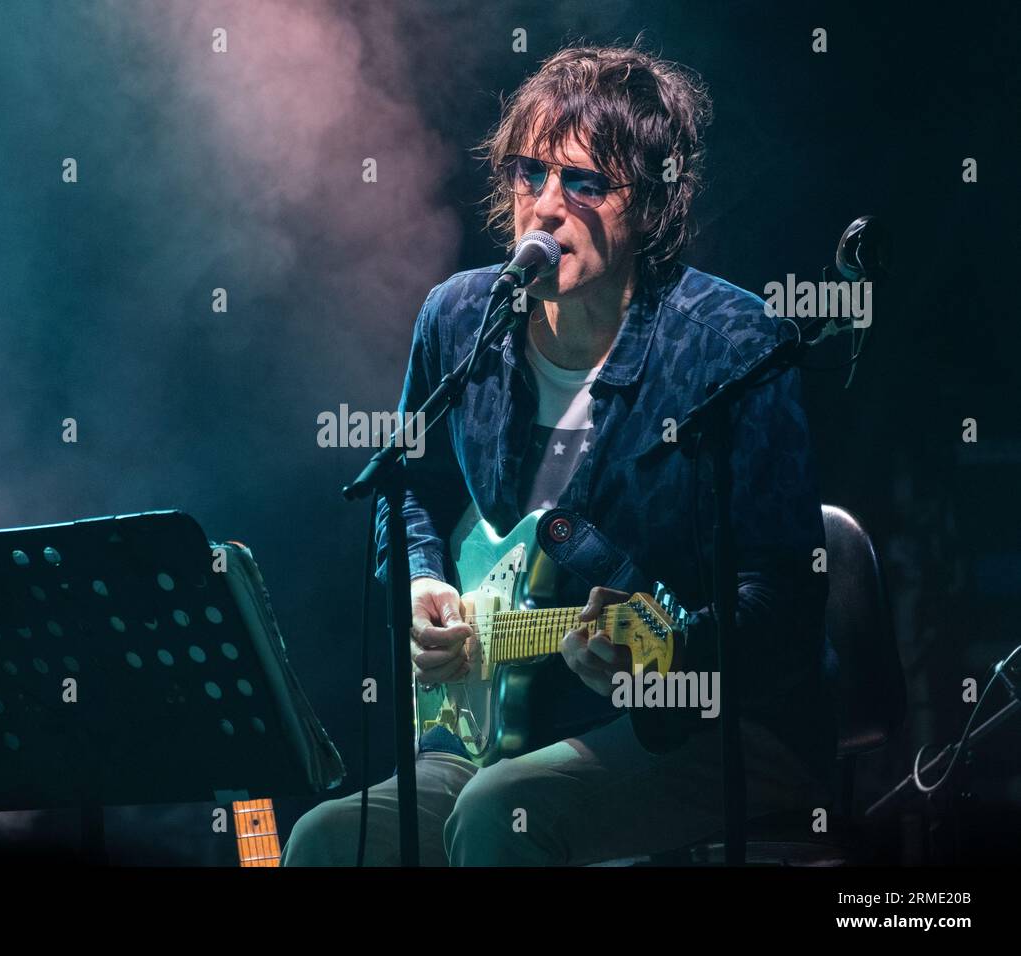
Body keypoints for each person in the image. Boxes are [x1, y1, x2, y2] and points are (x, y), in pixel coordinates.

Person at [284, 42, 836, 866]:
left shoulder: (730, 344)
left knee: (504, 812)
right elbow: (407, 492)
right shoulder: (457, 319)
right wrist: (424, 581)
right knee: (326, 839)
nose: (545, 207)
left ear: (651, 204)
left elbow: (787, 599)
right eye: (527, 173)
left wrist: (669, 659)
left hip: (716, 726)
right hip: (504, 723)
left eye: (584, 183)